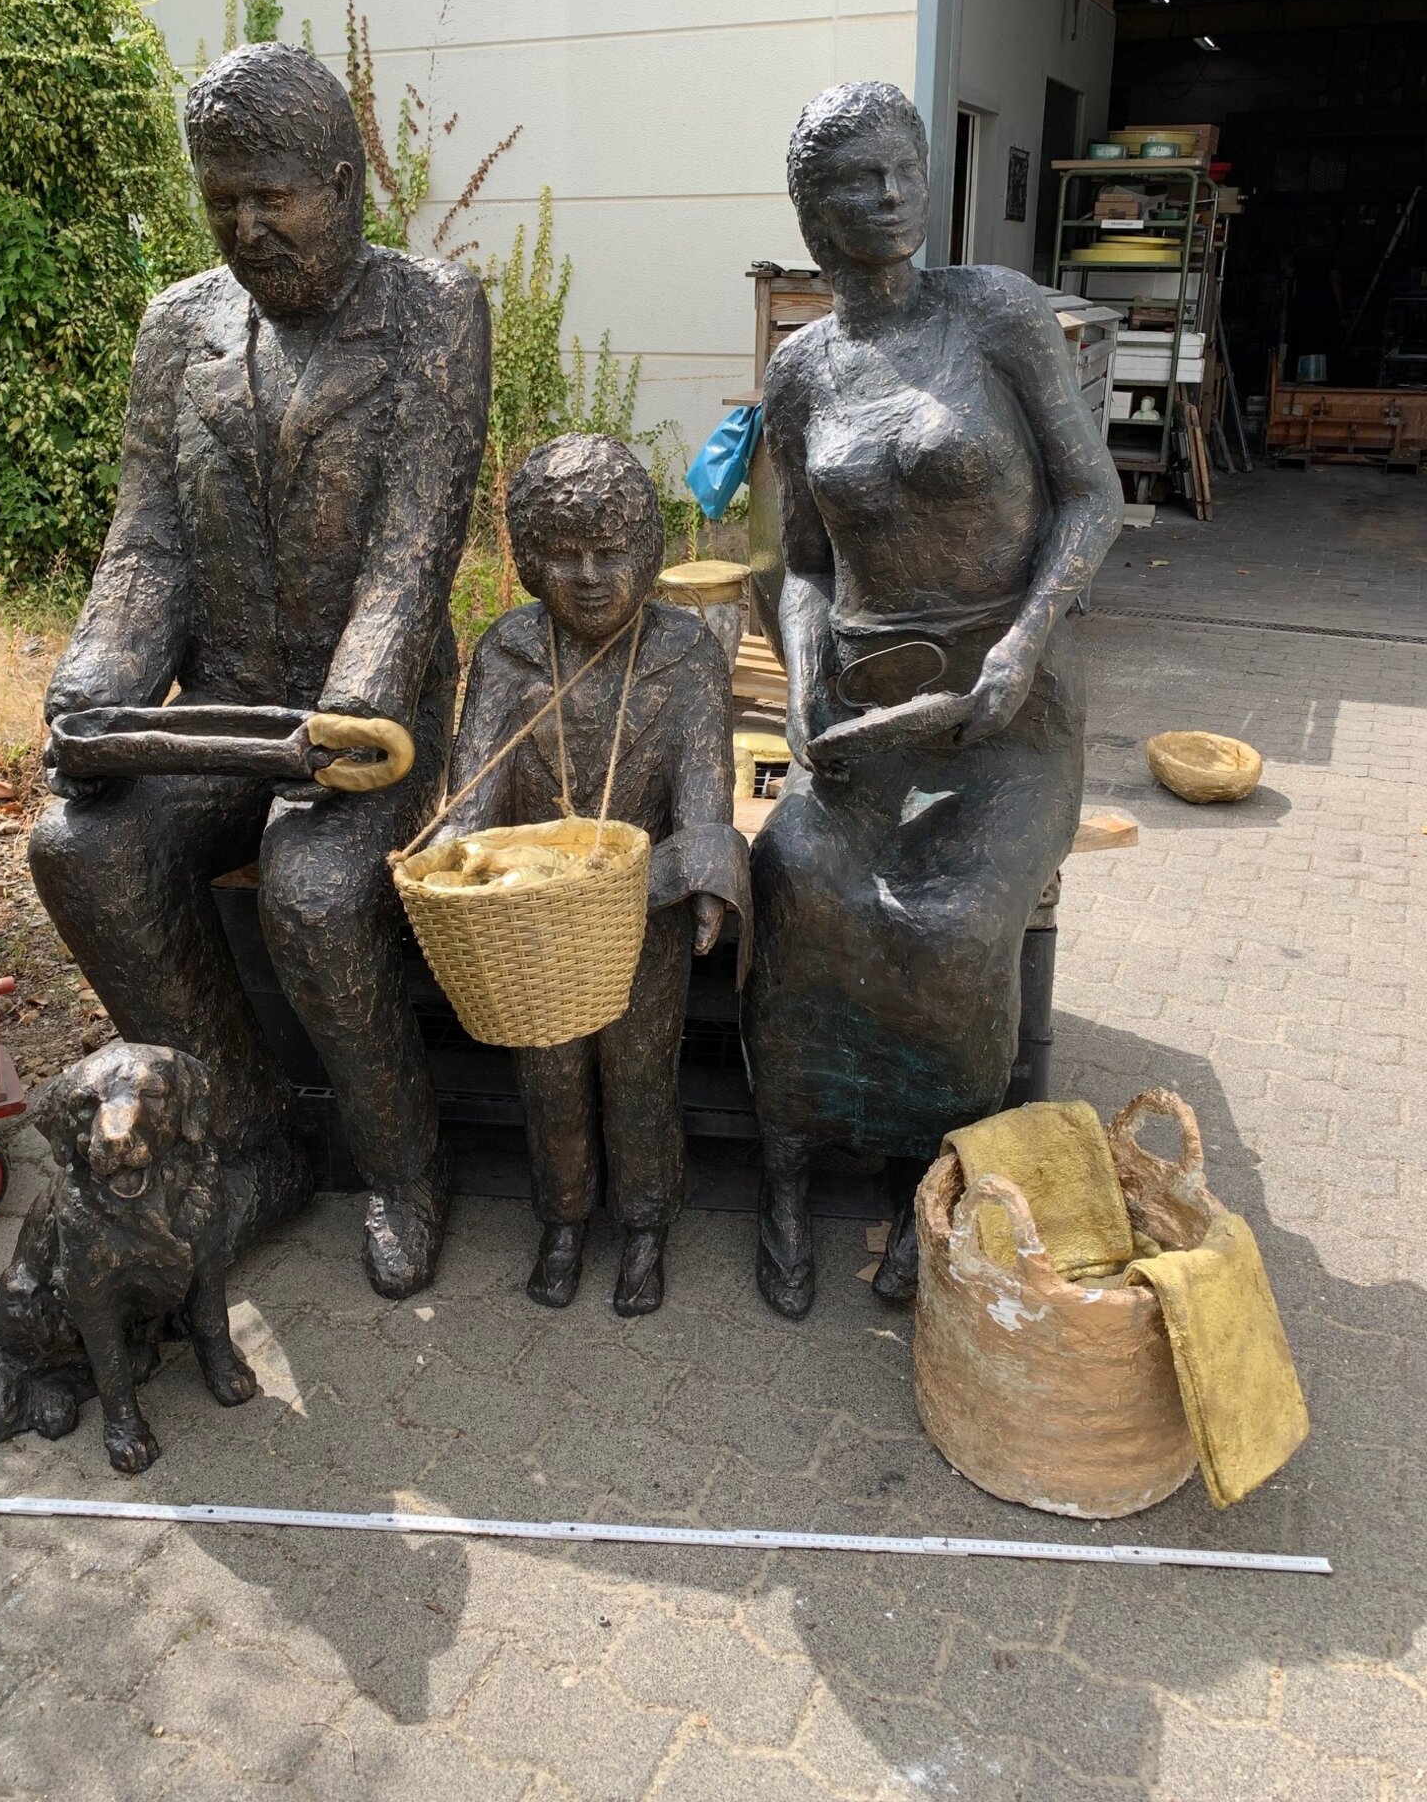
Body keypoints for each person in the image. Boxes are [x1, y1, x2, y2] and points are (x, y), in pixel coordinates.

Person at [29, 42, 491, 1299]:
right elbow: (147, 541)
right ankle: (248, 1140)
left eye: (272, 194)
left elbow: (415, 548)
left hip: (375, 711)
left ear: (342, 183)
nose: (245, 224)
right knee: (83, 847)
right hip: (223, 707)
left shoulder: (433, 311)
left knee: (313, 883)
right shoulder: (177, 326)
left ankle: (406, 1165)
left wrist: (359, 704)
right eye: (221, 197)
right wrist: (96, 680)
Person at [742, 81, 1122, 1319]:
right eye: (858, 178)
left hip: (1007, 718)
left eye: (905, 167)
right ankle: (791, 1165)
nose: (893, 193)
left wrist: (1019, 651)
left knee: (949, 927)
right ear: (812, 213)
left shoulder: (998, 314)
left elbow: (1091, 496)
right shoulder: (802, 367)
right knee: (796, 881)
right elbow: (801, 563)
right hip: (867, 717)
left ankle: (940, 1173)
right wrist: (803, 685)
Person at [436, 437, 750, 1315]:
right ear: (530, 561)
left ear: (647, 553)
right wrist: (452, 866)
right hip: (532, 916)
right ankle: (563, 1218)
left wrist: (705, 872)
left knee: (641, 1070)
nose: (587, 577)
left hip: (636, 911)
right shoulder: (509, 652)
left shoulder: (685, 652)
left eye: (610, 553)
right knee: (549, 1074)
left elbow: (703, 786)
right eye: (563, 555)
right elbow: (472, 792)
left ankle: (647, 1224)